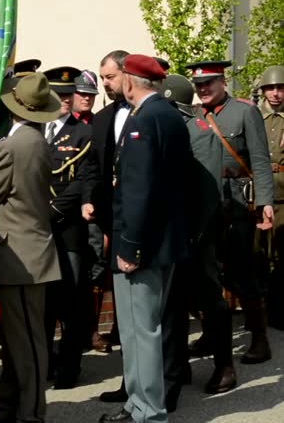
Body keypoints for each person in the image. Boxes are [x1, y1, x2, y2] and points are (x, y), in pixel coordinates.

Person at [99, 54, 192, 423]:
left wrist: (130, 247)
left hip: (142, 245)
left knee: (141, 333)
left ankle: (148, 411)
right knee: (141, 330)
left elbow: (138, 191)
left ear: (130, 80)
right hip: (163, 241)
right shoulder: (169, 115)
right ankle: (138, 404)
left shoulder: (144, 119)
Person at [0, 72, 61, 423]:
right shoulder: (35, 140)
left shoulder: (14, 145)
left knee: (26, 344)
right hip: (27, 250)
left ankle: (30, 413)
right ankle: (8, 407)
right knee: (17, 340)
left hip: (20, 254)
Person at [185, 60, 274, 365]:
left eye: (209, 83)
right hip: (204, 204)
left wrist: (265, 203)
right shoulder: (194, 115)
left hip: (236, 202)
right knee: (207, 272)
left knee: (242, 269)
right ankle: (211, 334)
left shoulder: (245, 112)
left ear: (223, 82)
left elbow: (260, 160)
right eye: (198, 85)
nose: (203, 89)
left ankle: (259, 339)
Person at [160, 74, 237, 395]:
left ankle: (225, 366)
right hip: (174, 232)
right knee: (175, 301)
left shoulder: (198, 131)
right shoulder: (170, 129)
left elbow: (207, 193)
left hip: (198, 233)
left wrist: (195, 234)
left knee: (210, 299)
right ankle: (178, 366)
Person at [41, 66, 96, 389]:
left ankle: (69, 366)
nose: (64, 99)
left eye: (68, 94)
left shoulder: (83, 133)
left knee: (72, 301)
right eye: (58, 94)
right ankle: (44, 362)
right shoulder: (34, 130)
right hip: (37, 230)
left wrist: (52, 210)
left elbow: (85, 180)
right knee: (44, 301)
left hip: (68, 227)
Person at [90, 50, 132, 404]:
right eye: (102, 77)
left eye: (110, 77)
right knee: (125, 308)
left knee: (155, 311)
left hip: (148, 225)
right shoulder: (102, 119)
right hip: (115, 225)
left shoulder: (151, 114)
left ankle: (170, 375)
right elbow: (95, 170)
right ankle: (130, 380)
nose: (105, 83)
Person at [73, 69, 111, 353]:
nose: (86, 99)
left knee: (95, 266)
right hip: (66, 206)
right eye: (81, 94)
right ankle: (74, 330)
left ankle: (93, 329)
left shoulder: (101, 124)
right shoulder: (60, 125)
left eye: (91, 95)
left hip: (93, 207)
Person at [259, 65, 284, 330]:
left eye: (280, 88)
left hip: (283, 195)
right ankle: (257, 311)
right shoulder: (254, 116)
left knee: (281, 255)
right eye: (270, 88)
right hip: (258, 193)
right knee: (257, 254)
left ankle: (278, 312)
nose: (275, 93)